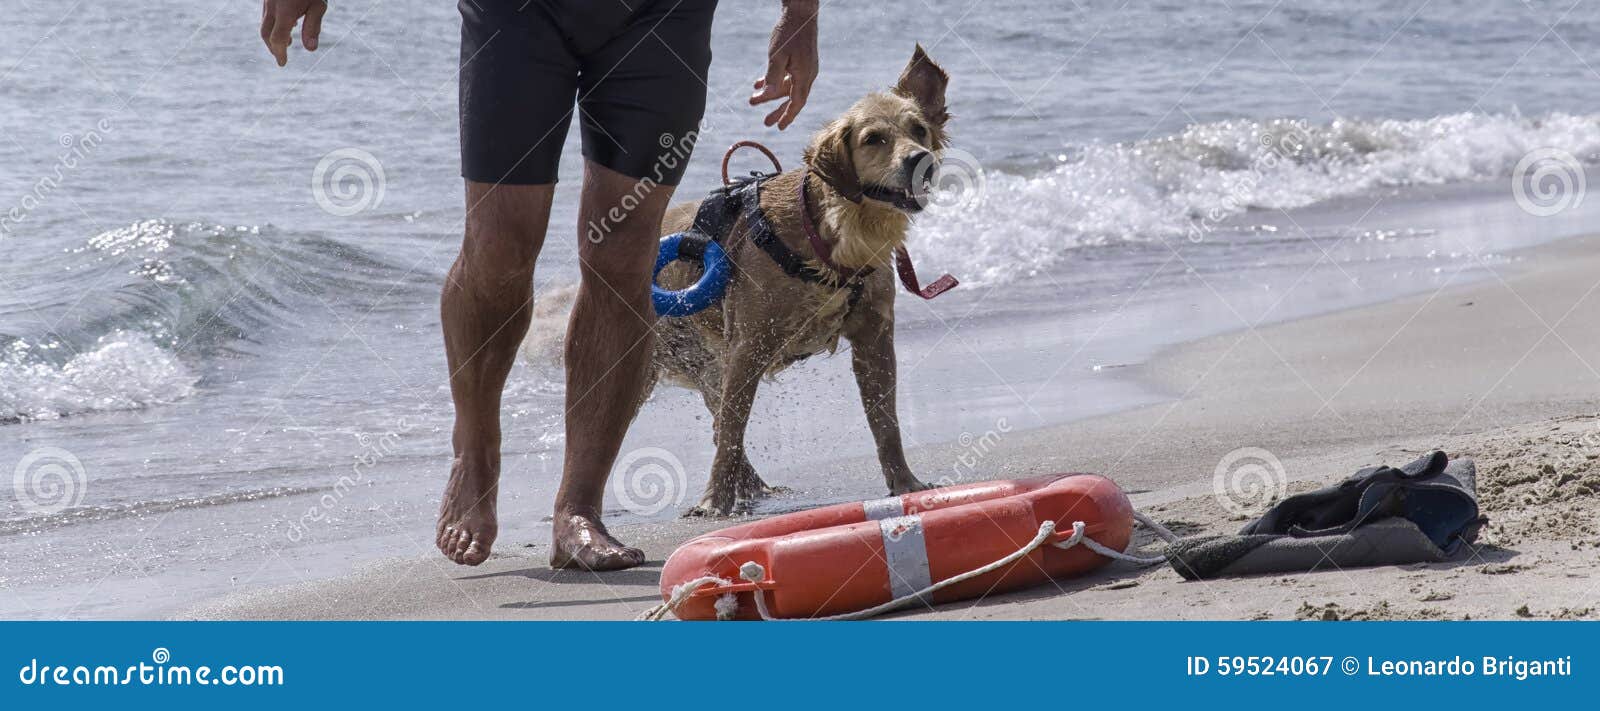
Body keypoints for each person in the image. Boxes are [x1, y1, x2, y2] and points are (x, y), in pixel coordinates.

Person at [260, 0, 820, 570]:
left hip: (663, 15)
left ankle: (579, 508)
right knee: (498, 245)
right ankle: (475, 452)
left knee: (624, 254)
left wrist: (800, 11)